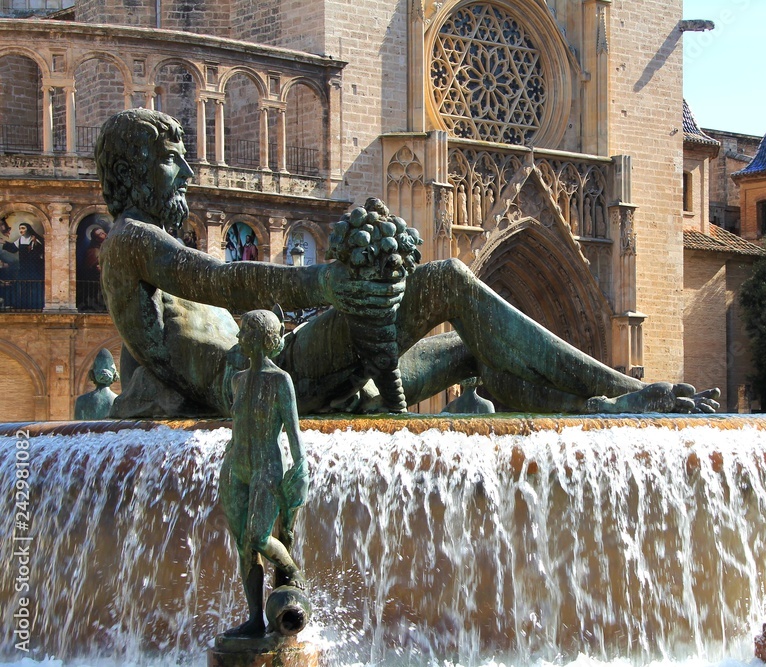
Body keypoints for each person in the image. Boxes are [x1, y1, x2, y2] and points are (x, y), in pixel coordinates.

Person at [94, 108, 719, 418]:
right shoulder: (130, 240)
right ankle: (628, 392)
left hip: (301, 377)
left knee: (471, 347)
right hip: (282, 378)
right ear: (133, 170)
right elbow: (228, 279)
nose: (188, 170)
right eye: (170, 158)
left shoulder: (149, 260)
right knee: (446, 281)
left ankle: (600, 411)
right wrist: (327, 282)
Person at [219, 310, 308, 637]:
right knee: (245, 546)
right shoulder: (238, 379)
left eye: (244, 332)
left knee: (258, 536)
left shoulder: (280, 380)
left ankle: (291, 569)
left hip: (267, 466)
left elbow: (294, 432)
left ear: (259, 339)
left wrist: (301, 469)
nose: (238, 337)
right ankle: (255, 619)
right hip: (236, 467)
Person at [3, 221, 44, 309]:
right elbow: (13, 249)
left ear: (28, 229)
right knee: (22, 286)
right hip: (23, 267)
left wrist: (35, 243)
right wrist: (4, 243)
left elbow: (41, 251)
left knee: (34, 286)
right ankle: (21, 305)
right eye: (20, 229)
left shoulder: (34, 238)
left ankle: (35, 305)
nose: (21, 230)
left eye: (23, 228)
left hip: (34, 267)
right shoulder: (20, 239)